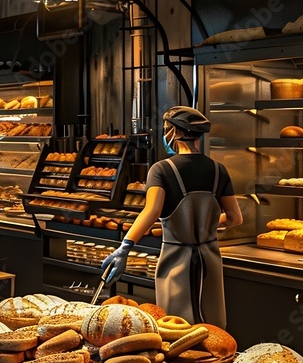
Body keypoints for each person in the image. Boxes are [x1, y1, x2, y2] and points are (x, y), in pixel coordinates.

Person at [101, 106, 243, 328]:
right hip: (210, 259)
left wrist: (125, 246)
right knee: (213, 329)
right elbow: (235, 218)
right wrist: (205, 226)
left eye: (166, 128)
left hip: (176, 259)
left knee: (175, 328)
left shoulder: (161, 170)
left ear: (174, 132)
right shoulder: (219, 170)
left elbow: (152, 211)